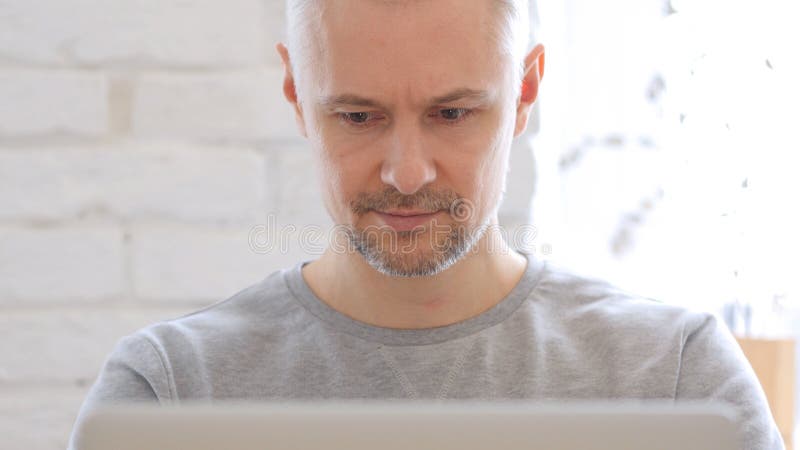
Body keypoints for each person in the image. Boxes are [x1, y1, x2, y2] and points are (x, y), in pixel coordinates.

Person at [68, 1, 784, 449]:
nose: (406, 173)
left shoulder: (676, 374)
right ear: (295, 94)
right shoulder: (170, 390)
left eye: (452, 113)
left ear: (525, 90)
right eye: (358, 116)